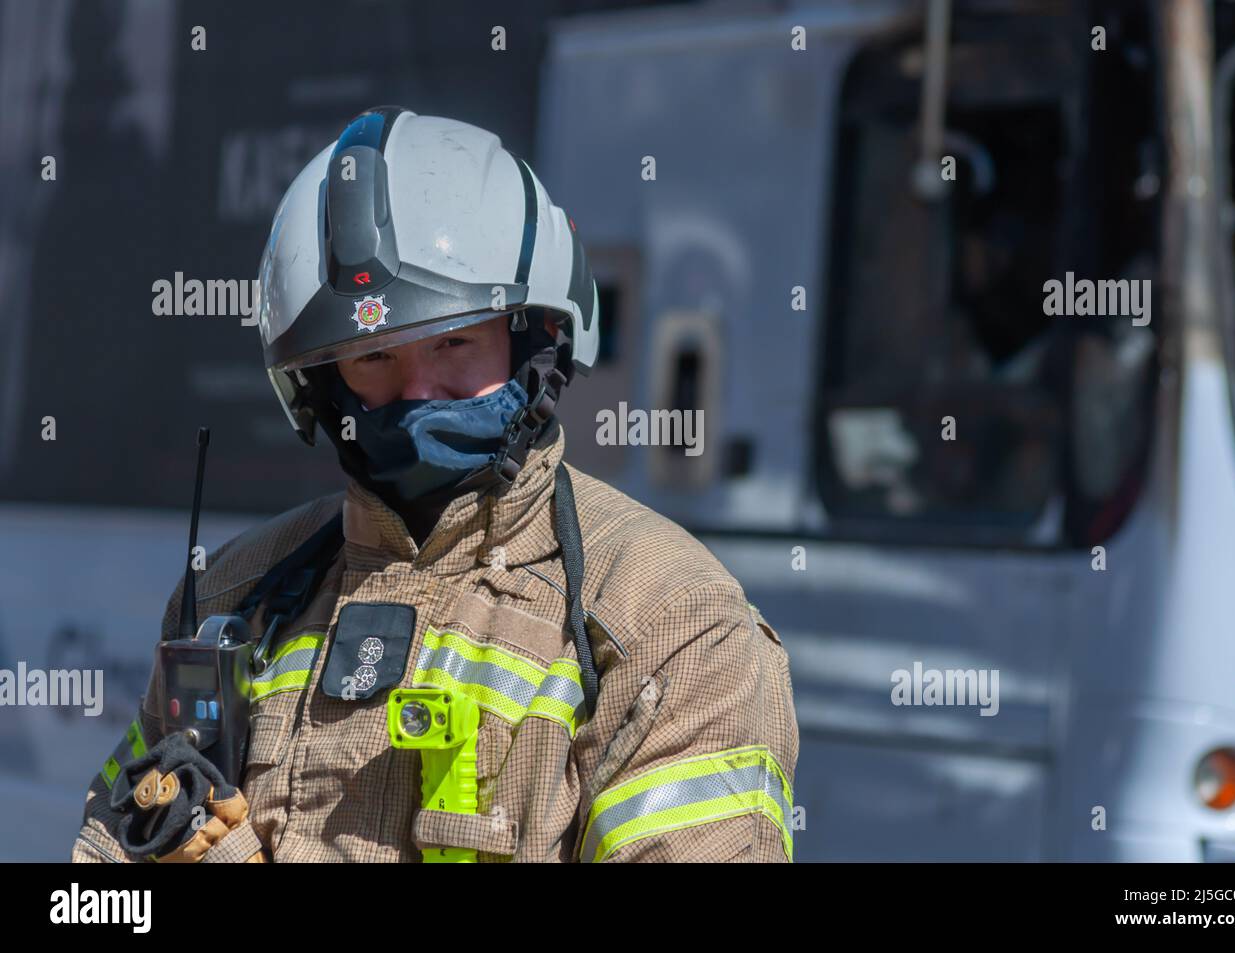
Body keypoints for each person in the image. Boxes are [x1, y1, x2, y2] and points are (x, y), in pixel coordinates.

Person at [72, 107, 799, 863]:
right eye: (373, 357)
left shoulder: (671, 622)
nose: (418, 393)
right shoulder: (233, 599)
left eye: (454, 341)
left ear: (535, 339)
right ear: (321, 384)